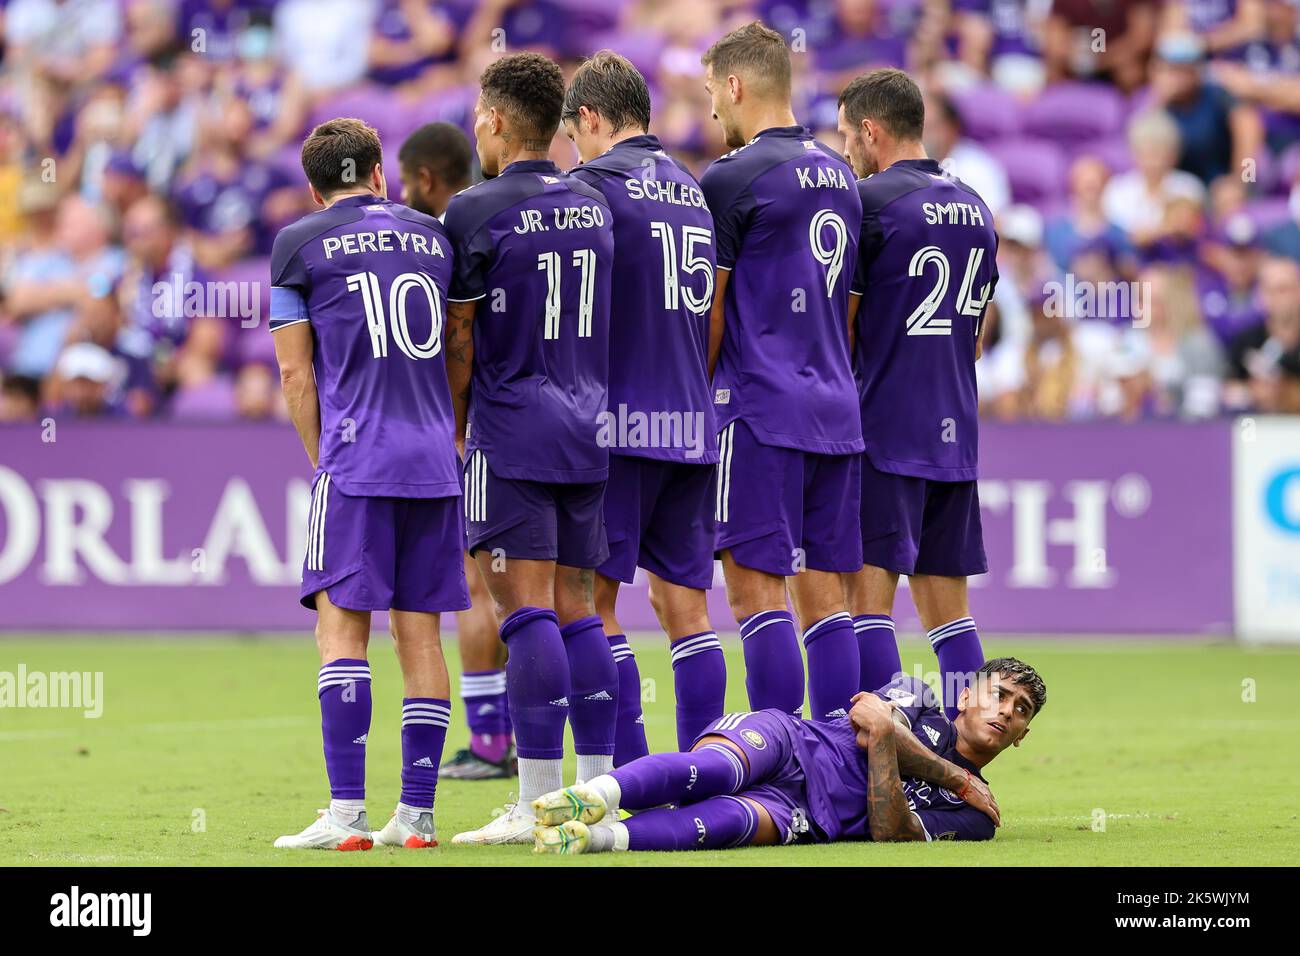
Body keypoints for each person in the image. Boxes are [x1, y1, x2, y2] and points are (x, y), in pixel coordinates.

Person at [269, 117, 469, 851]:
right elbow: (459, 347)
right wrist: (447, 431)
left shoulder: (300, 242)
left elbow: (295, 374)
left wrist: (325, 458)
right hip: (433, 464)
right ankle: (416, 818)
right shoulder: (435, 236)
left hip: (356, 461)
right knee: (420, 636)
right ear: (380, 174)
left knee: (340, 633)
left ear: (316, 188)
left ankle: (348, 814)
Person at [441, 53, 618, 845]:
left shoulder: (473, 209)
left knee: (524, 612)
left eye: (480, 115)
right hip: (587, 428)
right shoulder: (594, 203)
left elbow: (459, 337)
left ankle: (535, 802)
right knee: (581, 609)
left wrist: (452, 426)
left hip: (510, 432)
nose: (477, 128)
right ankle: (597, 791)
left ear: (501, 121)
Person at [700, 21, 866, 725]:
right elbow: (850, 310)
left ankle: (780, 766)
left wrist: (694, 394)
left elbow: (709, 311)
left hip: (760, 409)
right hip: (835, 407)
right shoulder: (845, 176)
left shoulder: (730, 178)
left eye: (713, 93)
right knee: (826, 594)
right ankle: (841, 763)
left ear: (735, 86)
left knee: (755, 593)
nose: (712, 110)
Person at [563, 51, 726, 762]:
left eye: (574, 134)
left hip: (617, 425)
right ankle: (704, 769)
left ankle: (625, 777)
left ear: (591, 119)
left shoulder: (590, 188)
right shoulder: (693, 189)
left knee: (592, 607)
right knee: (686, 610)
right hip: (691, 423)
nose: (574, 147)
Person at [836, 68, 1000, 716]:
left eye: (847, 135)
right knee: (949, 612)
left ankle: (887, 758)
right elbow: (981, 331)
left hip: (883, 427)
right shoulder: (976, 207)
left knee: (866, 602)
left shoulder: (867, 205)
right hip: (955, 428)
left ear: (872, 132)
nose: (845, 149)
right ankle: (966, 760)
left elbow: (841, 325)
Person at [532, 658, 1044, 853]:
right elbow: (870, 725)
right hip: (792, 743)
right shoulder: (922, 695)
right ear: (967, 695)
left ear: (1021, 735)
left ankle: (590, 839)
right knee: (711, 770)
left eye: (1020, 710)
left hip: (813, 816)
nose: (1006, 711)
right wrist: (956, 776)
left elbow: (892, 833)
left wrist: (893, 741)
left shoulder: (979, 817)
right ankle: (587, 796)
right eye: (998, 694)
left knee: (724, 826)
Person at [398, 120, 516, 781]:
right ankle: (530, 737)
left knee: (480, 584)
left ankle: (491, 743)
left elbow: (450, 342)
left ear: (423, 178)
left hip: (478, 427)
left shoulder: (444, 240)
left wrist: (456, 423)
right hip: (553, 418)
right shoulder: (507, 220)